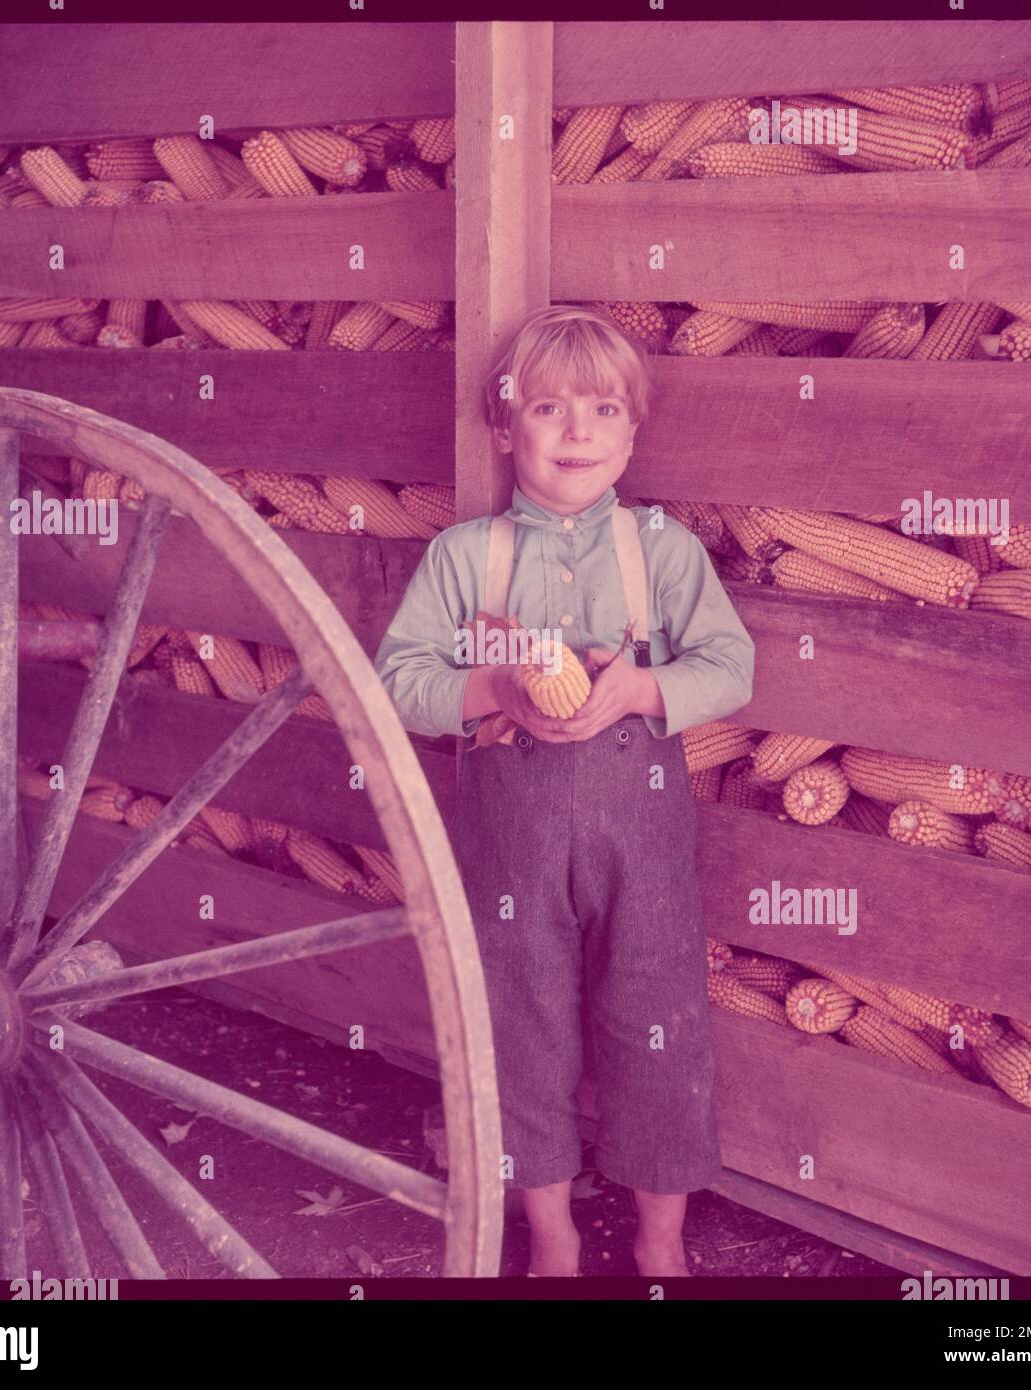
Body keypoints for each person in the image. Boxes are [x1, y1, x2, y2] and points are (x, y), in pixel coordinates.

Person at [374, 305, 755, 1277]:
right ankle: (551, 1231)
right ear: (504, 428)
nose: (577, 430)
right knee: (519, 1023)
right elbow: (397, 681)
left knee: (657, 1016)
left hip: (643, 842)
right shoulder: (468, 558)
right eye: (548, 408)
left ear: (633, 429)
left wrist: (640, 686)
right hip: (514, 845)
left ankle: (661, 1232)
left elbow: (732, 667)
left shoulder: (659, 554)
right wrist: (496, 687)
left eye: (602, 409)